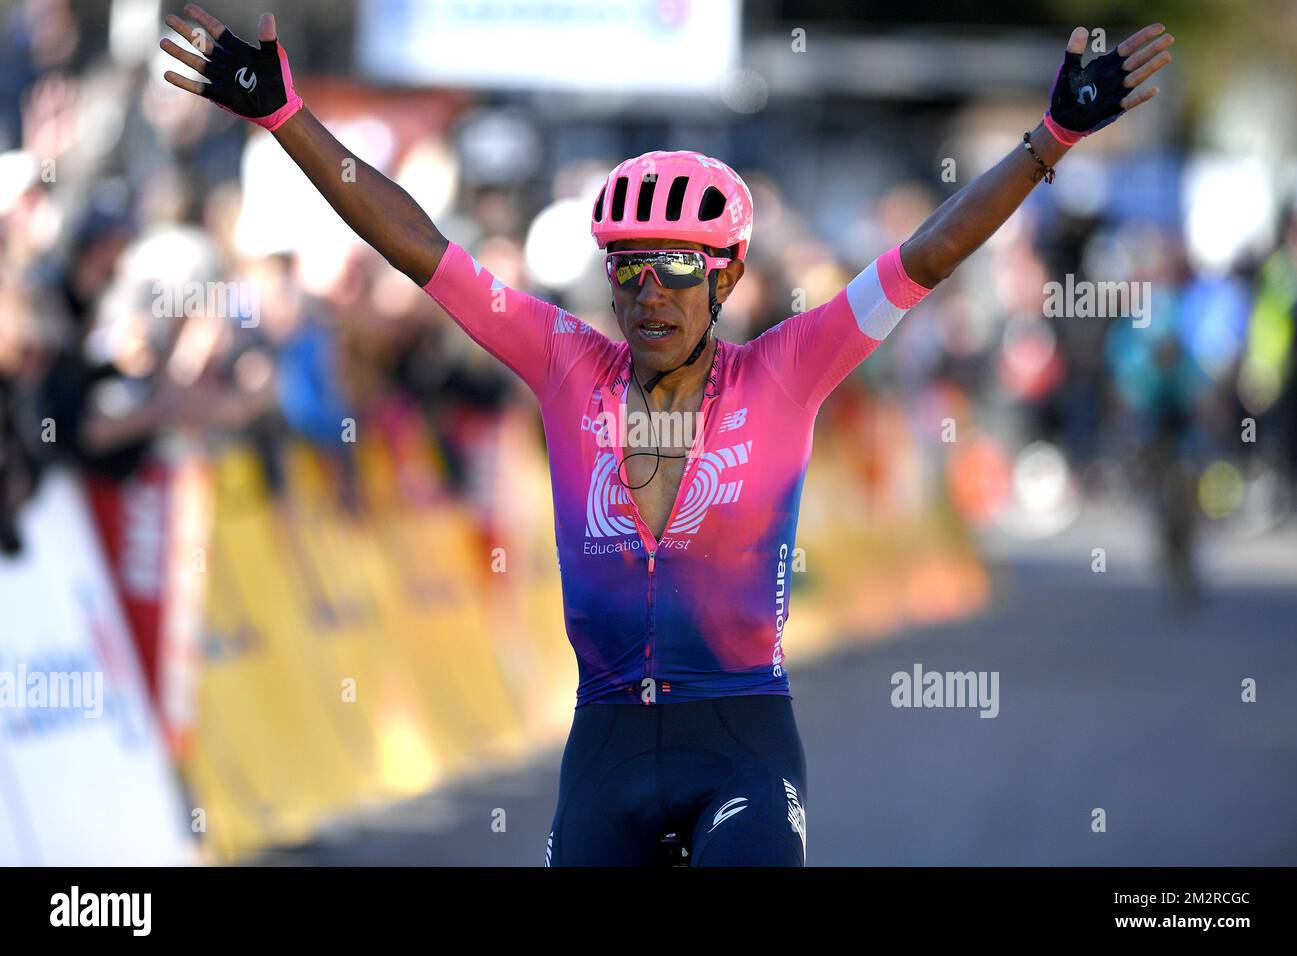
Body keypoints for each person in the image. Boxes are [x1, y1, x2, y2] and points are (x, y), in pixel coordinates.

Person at [159, 5, 1173, 866]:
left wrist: (1048, 140)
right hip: (602, 742)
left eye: (678, 268)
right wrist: (287, 117)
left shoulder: (787, 369)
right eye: (629, 267)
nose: (650, 292)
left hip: (737, 737)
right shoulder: (564, 364)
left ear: (726, 278)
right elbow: (420, 245)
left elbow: (926, 256)